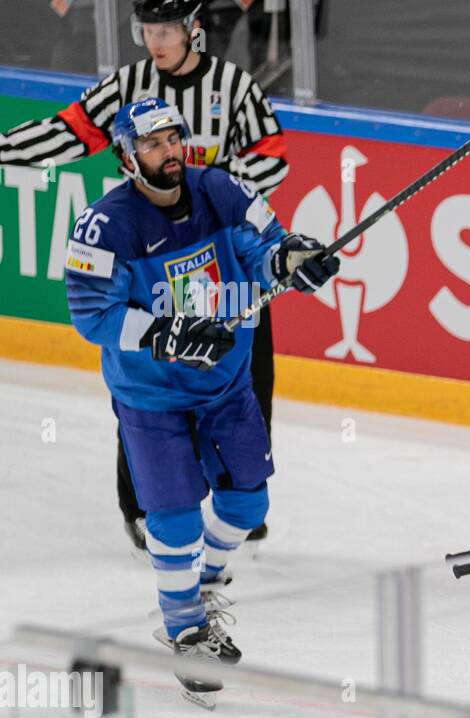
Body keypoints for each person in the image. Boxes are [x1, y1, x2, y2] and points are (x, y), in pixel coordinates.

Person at [63, 98, 337, 708]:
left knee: (246, 504)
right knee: (174, 517)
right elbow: (91, 315)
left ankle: (204, 580)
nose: (168, 152)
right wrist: (164, 333)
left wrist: (294, 261)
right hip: (152, 397)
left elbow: (263, 249)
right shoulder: (106, 225)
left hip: (225, 386)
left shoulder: (219, 188)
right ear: (127, 157)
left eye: (173, 139)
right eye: (153, 144)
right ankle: (185, 627)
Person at [1, 0, 290, 552]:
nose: (155, 42)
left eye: (166, 30)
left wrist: (217, 194)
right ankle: (143, 504)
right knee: (144, 385)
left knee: (247, 379)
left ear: (194, 31)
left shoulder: (233, 85)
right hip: (151, 261)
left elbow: (272, 154)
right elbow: (70, 132)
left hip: (223, 256)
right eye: (147, 30)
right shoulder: (127, 83)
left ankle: (238, 490)